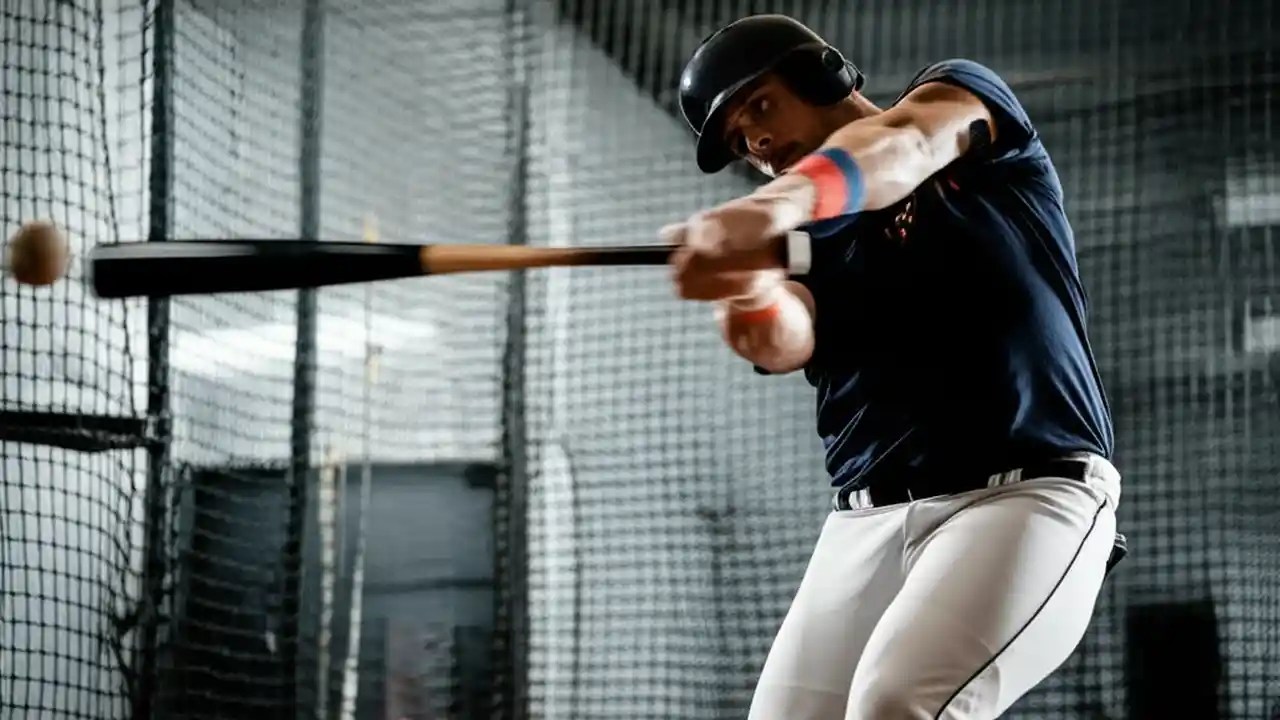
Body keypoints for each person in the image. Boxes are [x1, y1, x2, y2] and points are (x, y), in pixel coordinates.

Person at [664, 14, 1128, 720]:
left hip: (1022, 497)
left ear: (824, 75)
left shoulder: (964, 107)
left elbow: (900, 146)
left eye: (760, 105)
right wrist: (747, 289)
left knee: (897, 704)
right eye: (738, 140)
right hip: (864, 522)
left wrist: (771, 206)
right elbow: (782, 338)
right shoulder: (805, 236)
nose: (756, 141)